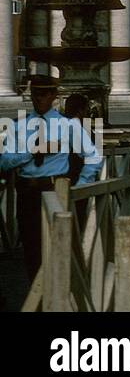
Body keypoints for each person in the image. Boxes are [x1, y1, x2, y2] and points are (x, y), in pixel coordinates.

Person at [0, 77, 103, 281]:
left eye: (45, 94)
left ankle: (59, 296)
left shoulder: (68, 126)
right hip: (27, 193)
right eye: (36, 94)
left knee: (59, 245)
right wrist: (31, 151)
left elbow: (94, 156)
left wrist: (81, 185)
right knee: (31, 248)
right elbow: (4, 162)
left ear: (54, 96)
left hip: (56, 190)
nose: (40, 99)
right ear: (31, 95)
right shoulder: (18, 126)